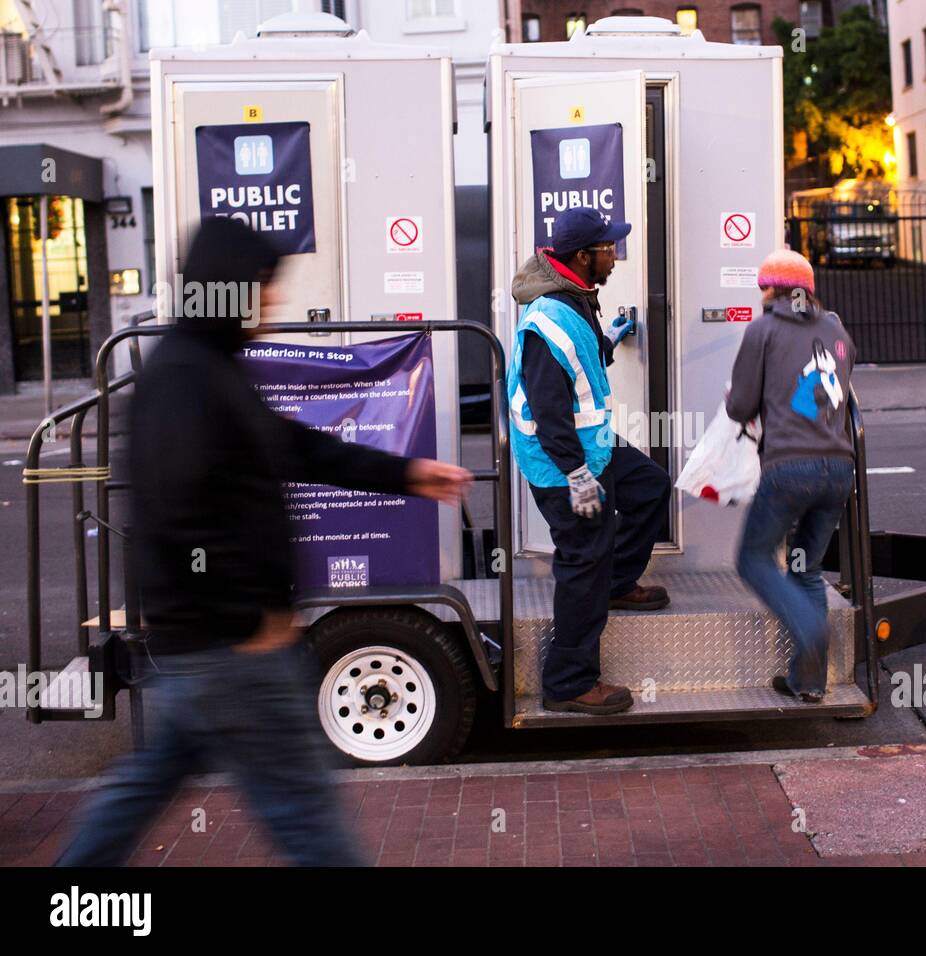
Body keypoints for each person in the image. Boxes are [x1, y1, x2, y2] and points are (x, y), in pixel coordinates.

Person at [57, 217, 471, 866]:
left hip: (203, 655)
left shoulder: (210, 368)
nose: (270, 302)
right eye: (261, 288)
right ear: (224, 290)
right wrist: (248, 622)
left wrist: (406, 473)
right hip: (233, 655)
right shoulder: (185, 380)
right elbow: (177, 515)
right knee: (309, 821)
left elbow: (292, 448)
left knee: (143, 789)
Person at [507, 207, 672, 716]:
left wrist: (612, 338)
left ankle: (619, 584)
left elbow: (579, 357)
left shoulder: (575, 297)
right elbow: (549, 407)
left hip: (589, 445)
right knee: (583, 562)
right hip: (562, 462)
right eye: (609, 250)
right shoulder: (546, 320)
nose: (615, 257)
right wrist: (577, 476)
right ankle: (568, 682)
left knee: (650, 486)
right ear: (583, 256)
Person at [726, 249, 856, 703]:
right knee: (806, 566)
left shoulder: (762, 329)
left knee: (752, 559)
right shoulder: (835, 328)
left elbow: (740, 406)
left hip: (790, 468)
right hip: (839, 468)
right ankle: (809, 683)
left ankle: (810, 627)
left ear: (769, 288)